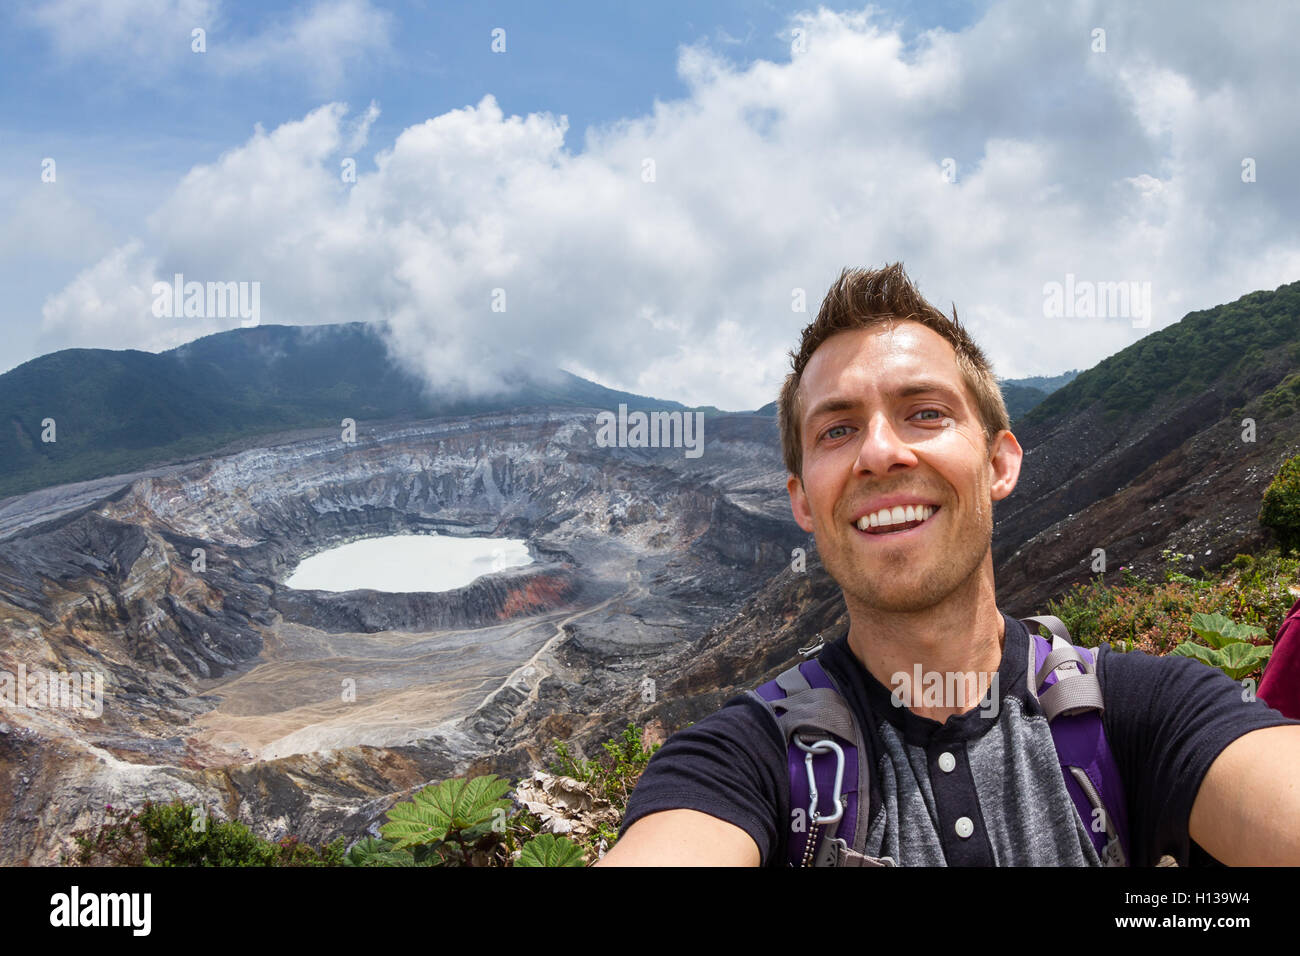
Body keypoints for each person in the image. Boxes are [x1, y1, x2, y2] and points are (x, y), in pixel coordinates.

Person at [597, 263, 1300, 867]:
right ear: (802, 500)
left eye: (925, 413)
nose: (879, 452)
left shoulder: (1147, 714)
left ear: (999, 462)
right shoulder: (742, 761)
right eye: (838, 429)